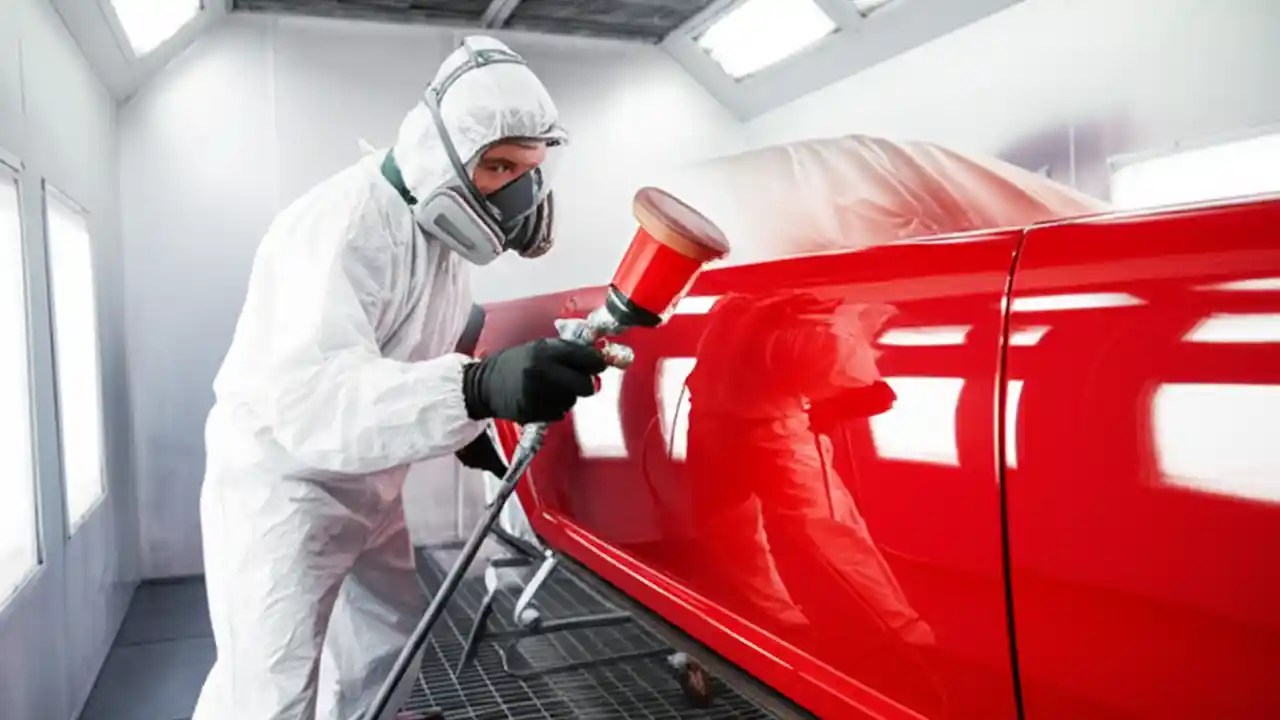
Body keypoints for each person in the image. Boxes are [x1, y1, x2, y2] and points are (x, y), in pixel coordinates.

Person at [192, 37, 606, 720]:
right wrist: (472, 389)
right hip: (284, 491)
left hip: (369, 483)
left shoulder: (442, 242)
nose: (514, 193)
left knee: (383, 642)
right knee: (268, 689)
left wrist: (469, 426)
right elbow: (316, 398)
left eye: (527, 171)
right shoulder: (338, 225)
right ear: (435, 152)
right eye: (497, 166)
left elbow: (411, 344)